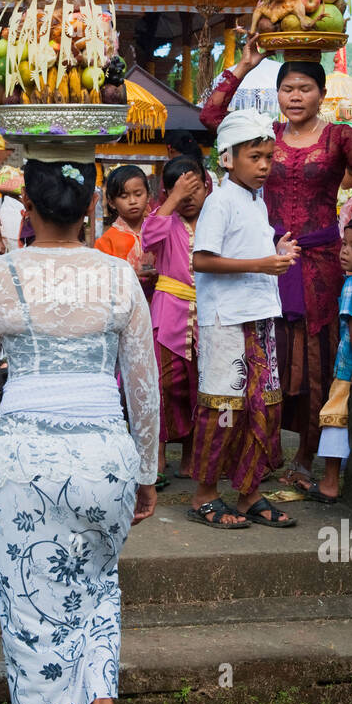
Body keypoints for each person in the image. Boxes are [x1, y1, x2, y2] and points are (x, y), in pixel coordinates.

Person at [0, 157, 159, 704]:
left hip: (27, 459)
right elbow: (144, 385)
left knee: (34, 612)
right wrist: (146, 471)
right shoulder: (118, 275)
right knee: (98, 586)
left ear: (31, 211)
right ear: (89, 211)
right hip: (105, 454)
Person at [201, 39, 352, 490]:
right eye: (287, 87)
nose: (295, 96)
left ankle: (307, 460)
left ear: (321, 93)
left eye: (305, 88)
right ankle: (257, 452)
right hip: (262, 261)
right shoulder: (264, 136)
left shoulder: (339, 138)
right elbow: (212, 120)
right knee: (263, 358)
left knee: (316, 363)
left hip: (320, 266)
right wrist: (244, 65)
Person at [189, 110, 299, 529]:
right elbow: (202, 260)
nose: (264, 166)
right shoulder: (219, 201)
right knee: (223, 407)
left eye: (269, 157)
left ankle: (250, 492)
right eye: (255, 157)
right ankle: (204, 495)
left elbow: (249, 250)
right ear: (228, 158)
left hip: (259, 317)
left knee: (263, 406)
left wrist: (278, 246)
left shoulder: (256, 201)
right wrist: (262, 263)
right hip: (226, 320)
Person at [142, 156, 207, 487]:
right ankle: (158, 457)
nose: (190, 197)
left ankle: (190, 457)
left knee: (199, 385)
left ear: (207, 187)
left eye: (196, 188)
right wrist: (172, 200)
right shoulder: (165, 220)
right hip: (169, 312)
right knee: (164, 385)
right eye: (183, 191)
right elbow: (148, 238)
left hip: (207, 314)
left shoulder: (215, 220)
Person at [308, 215, 352, 503]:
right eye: (345, 244)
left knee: (335, 418)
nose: (344, 252)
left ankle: (329, 482)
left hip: (346, 366)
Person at [94, 164, 157, 298]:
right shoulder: (107, 240)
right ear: (111, 202)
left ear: (148, 195)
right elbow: (100, 281)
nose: (133, 201)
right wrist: (130, 279)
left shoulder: (159, 231)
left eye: (138, 194)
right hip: (124, 304)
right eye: (124, 196)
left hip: (158, 303)